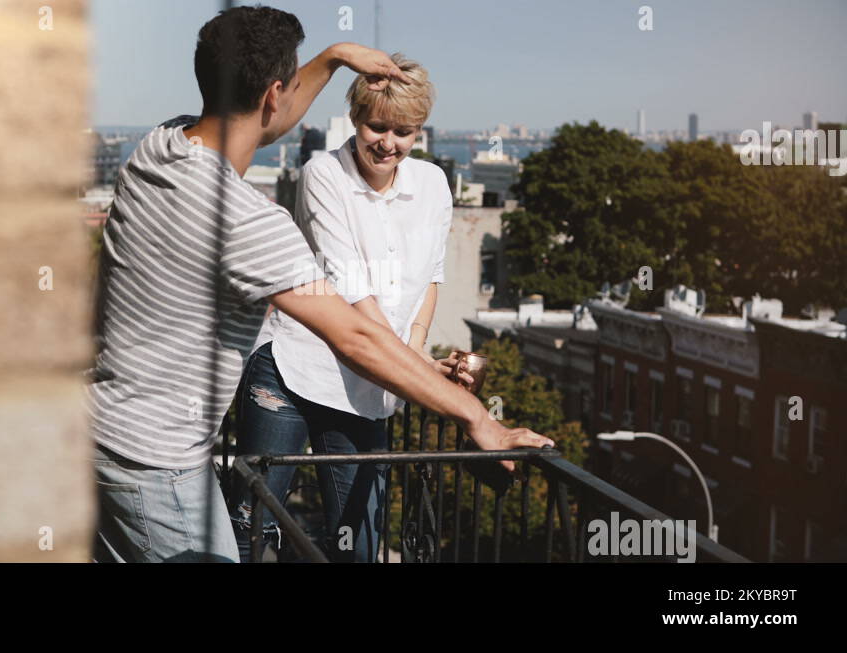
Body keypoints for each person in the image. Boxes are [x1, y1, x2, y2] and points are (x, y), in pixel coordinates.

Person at [88, 5, 553, 564]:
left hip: (96, 432)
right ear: (274, 95)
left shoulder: (159, 146)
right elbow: (355, 336)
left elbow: (261, 114)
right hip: (154, 462)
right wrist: (478, 418)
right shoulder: (246, 220)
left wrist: (333, 58)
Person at [229, 54, 465, 562]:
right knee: (252, 527)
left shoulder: (432, 184)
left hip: (371, 386)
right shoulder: (323, 173)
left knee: (359, 543)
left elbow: (431, 276)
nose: (388, 143)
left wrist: (414, 352)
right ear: (355, 118)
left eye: (404, 132)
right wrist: (414, 367)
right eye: (377, 126)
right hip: (293, 372)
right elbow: (353, 292)